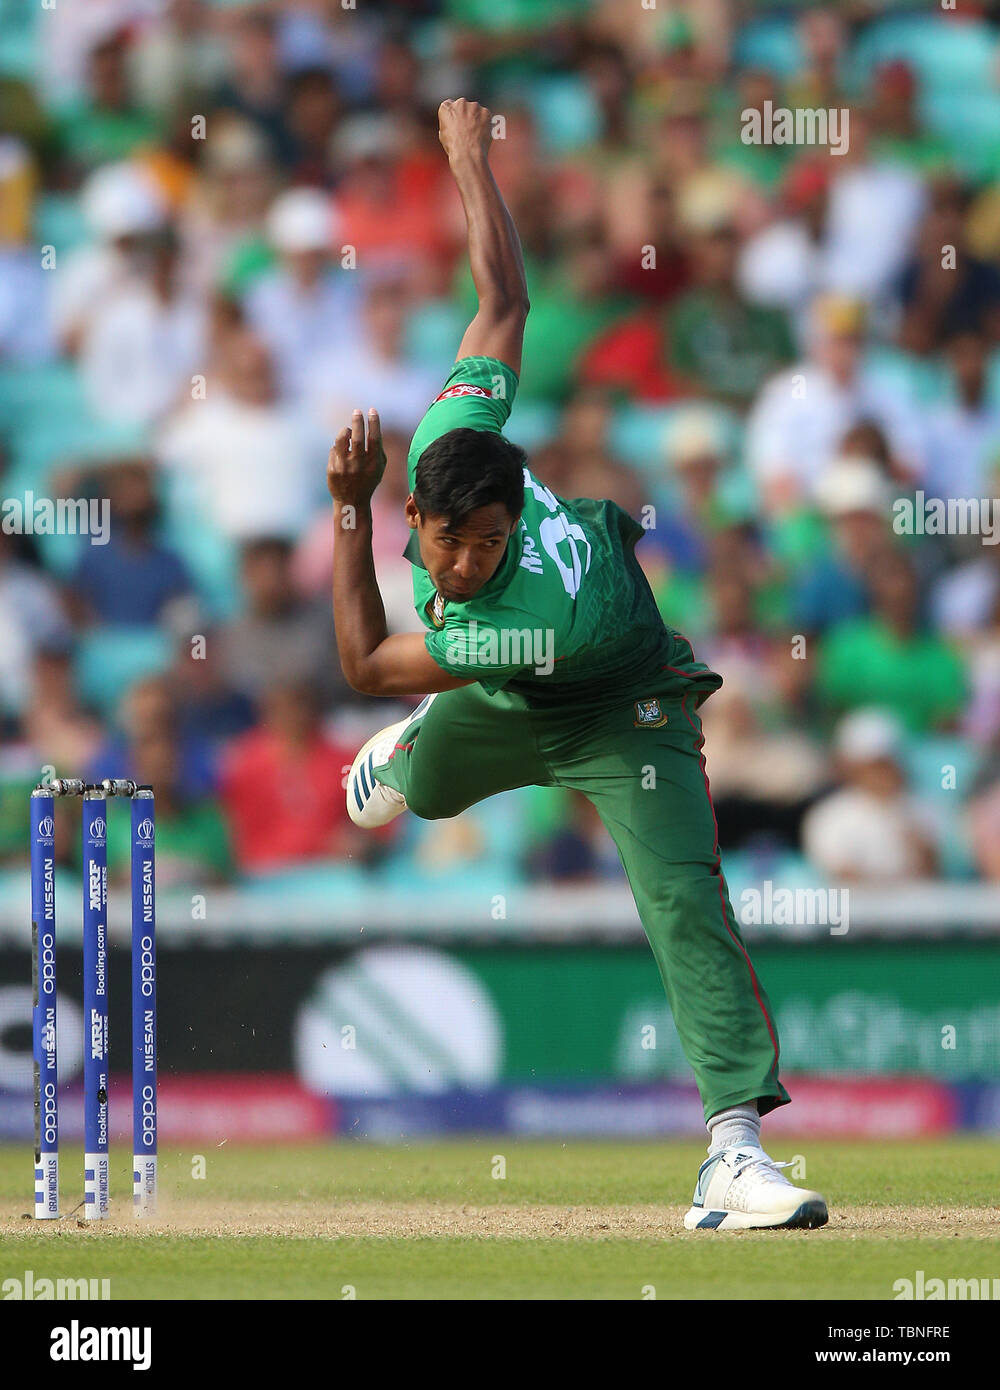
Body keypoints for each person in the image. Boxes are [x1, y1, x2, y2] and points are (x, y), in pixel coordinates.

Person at [326, 98, 828, 1233]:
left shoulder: (521, 608)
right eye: (446, 539)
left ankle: (733, 1155)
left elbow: (363, 658)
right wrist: (467, 158)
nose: (458, 560)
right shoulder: (458, 439)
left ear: (513, 528)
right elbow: (502, 298)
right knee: (432, 780)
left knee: (681, 896)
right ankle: (422, 752)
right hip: (499, 695)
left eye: (485, 545)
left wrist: (348, 518)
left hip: (620, 703)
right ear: (429, 500)